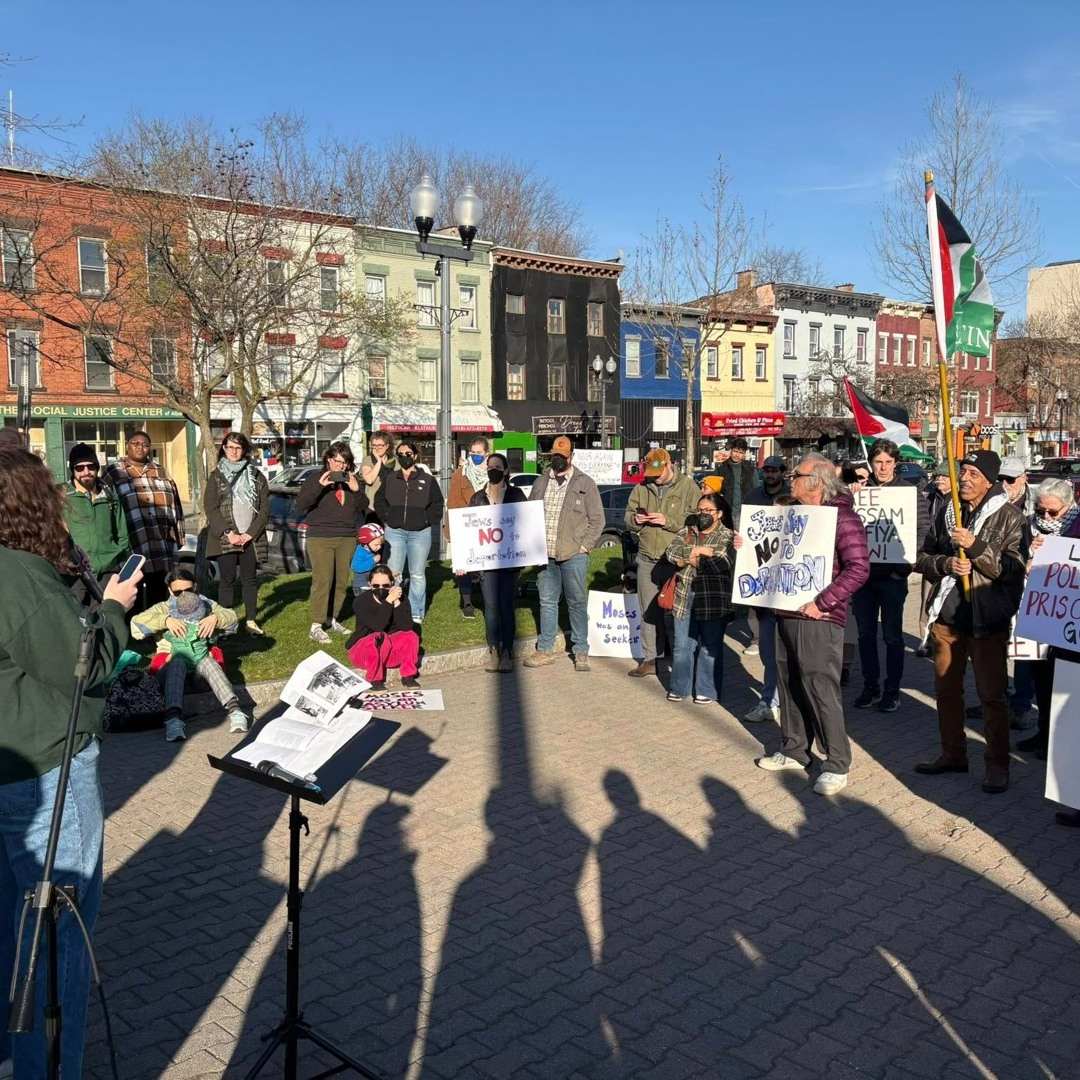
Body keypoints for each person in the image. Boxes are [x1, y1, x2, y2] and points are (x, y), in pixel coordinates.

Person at [0, 445, 140, 1080]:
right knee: (55, 949)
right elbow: (87, 666)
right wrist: (115, 607)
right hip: (44, 774)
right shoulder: (18, 576)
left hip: (15, 765)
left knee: (14, 933)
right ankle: (46, 1069)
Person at [754, 455, 870, 796]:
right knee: (789, 683)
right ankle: (794, 749)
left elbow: (858, 568)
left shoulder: (843, 517)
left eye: (797, 475)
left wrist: (822, 602)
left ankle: (836, 763)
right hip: (785, 610)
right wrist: (748, 547)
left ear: (817, 482)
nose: (791, 479)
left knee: (820, 687)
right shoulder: (793, 514)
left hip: (818, 617)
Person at [915, 450, 1026, 794]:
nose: (965, 479)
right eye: (963, 472)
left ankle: (997, 764)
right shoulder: (949, 512)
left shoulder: (1011, 517)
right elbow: (921, 558)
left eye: (974, 474)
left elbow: (1013, 570)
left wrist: (975, 547)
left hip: (985, 619)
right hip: (946, 620)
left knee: (991, 696)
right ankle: (953, 753)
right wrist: (946, 564)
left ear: (990, 482)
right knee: (946, 691)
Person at [851, 439, 932, 713]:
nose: (883, 467)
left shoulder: (909, 492)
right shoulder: (861, 491)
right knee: (865, 634)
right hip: (863, 575)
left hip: (893, 576)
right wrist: (852, 492)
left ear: (896, 463)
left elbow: (923, 530)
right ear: (871, 463)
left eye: (888, 462)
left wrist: (905, 567)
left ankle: (892, 690)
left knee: (892, 636)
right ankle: (870, 686)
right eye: (878, 462)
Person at [131, 567, 246, 740]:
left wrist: (216, 618)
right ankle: (173, 720)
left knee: (208, 661)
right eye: (178, 592)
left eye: (188, 590)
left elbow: (232, 618)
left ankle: (235, 711)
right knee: (177, 663)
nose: (184, 594)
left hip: (200, 674)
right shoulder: (163, 609)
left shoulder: (206, 604)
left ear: (195, 586)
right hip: (170, 673)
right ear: (170, 590)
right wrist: (165, 621)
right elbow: (135, 627)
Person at [523, 436, 605, 672]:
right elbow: (529, 513)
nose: (558, 460)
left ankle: (580, 651)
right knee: (547, 602)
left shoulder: (585, 483)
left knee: (577, 602)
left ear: (571, 456)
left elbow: (597, 520)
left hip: (574, 555)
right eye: (555, 456)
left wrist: (585, 546)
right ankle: (545, 649)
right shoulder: (540, 482)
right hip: (544, 554)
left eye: (563, 456)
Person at [1016, 479, 1080, 763]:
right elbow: (1015, 558)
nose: (1046, 517)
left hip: (1068, 620)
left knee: (1064, 682)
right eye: (1041, 510)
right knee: (1039, 677)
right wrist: (1029, 558)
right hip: (1037, 614)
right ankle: (1043, 732)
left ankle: (1061, 742)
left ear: (1069, 505)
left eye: (1053, 512)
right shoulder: (1030, 525)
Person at [624, 448, 700, 680]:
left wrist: (668, 521)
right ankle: (650, 659)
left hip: (676, 561)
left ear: (669, 464)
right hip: (647, 557)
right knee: (649, 612)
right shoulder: (641, 487)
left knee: (680, 612)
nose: (654, 477)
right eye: (651, 472)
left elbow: (697, 522)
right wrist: (636, 521)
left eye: (658, 472)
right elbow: (627, 517)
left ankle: (683, 660)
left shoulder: (689, 487)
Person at [663, 491, 735, 703]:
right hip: (684, 595)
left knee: (709, 647)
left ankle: (706, 689)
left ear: (719, 513)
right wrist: (699, 551)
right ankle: (679, 687)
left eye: (708, 510)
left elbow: (719, 563)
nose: (703, 514)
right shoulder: (688, 530)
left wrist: (688, 557)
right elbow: (670, 553)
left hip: (713, 599)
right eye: (700, 510)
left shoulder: (728, 535)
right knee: (682, 646)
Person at [105, 430, 185, 610]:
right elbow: (105, 507)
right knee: (132, 589)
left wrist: (178, 536)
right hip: (132, 543)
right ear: (126, 446)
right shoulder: (114, 472)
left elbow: (176, 505)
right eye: (135, 443)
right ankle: (134, 631)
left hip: (159, 541)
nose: (140, 447)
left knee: (158, 590)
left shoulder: (160, 471)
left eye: (145, 444)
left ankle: (155, 629)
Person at [296, 441, 365, 644]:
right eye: (337, 461)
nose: (341, 466)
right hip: (321, 536)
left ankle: (332, 618)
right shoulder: (315, 478)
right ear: (328, 459)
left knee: (342, 581)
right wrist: (320, 487)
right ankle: (316, 625)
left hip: (347, 536)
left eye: (345, 462)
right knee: (323, 580)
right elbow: (301, 504)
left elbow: (363, 506)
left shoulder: (352, 480)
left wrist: (356, 489)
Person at [203, 432, 270, 636]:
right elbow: (210, 507)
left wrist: (250, 534)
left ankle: (251, 621)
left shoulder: (257, 476)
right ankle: (227, 624)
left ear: (244, 451)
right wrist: (228, 533)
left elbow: (264, 510)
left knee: (250, 580)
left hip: (250, 538)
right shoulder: (216, 475)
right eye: (230, 447)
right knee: (227, 580)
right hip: (226, 537)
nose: (234, 451)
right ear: (223, 448)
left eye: (238, 447)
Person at [741, 455, 790, 723]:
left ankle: (777, 700)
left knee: (789, 652)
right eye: (767, 470)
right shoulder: (752, 495)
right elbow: (748, 531)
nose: (770, 474)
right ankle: (770, 699)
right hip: (762, 582)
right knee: (768, 652)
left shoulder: (793, 495)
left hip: (791, 586)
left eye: (775, 470)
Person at [375, 440, 445, 625]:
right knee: (394, 573)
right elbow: (379, 500)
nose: (404, 457)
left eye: (408, 454)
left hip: (420, 533)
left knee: (417, 574)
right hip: (395, 531)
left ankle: (416, 612)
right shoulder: (391, 478)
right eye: (400, 455)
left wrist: (425, 519)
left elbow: (438, 506)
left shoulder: (428, 480)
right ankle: (392, 608)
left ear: (415, 456)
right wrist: (388, 516)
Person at [470, 452, 527, 673]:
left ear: (504, 470)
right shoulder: (478, 497)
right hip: (487, 561)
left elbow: (525, 524)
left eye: (497, 466)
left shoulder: (516, 494)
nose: (492, 469)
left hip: (510, 561)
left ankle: (508, 652)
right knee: (491, 607)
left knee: (506, 606)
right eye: (489, 466)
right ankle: (494, 650)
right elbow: (470, 530)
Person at [62, 442, 131, 604]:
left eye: (91, 466)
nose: (86, 472)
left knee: (107, 618)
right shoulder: (62, 496)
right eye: (80, 468)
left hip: (108, 570)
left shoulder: (109, 495)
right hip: (75, 572)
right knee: (76, 620)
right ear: (72, 469)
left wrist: (119, 562)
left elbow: (122, 534)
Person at [345, 565, 420, 689]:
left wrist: (397, 603)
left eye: (385, 586)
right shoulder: (361, 602)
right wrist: (388, 601)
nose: (380, 589)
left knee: (410, 636)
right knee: (379, 636)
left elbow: (406, 626)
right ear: (370, 584)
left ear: (392, 584)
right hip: (364, 651)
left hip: (388, 651)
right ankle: (375, 680)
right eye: (376, 586)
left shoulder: (400, 599)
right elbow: (378, 626)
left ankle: (408, 676)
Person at [445, 437, 491, 619]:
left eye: (479, 453)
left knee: (487, 567)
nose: (475, 457)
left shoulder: (494, 472)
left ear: (486, 454)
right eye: (472, 453)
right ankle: (467, 602)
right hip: (465, 527)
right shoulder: (460, 474)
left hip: (487, 528)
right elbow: (454, 503)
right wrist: (452, 532)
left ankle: (489, 601)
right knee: (464, 567)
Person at [714, 437, 761, 529]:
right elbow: (715, 493)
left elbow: (757, 492)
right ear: (730, 451)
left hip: (746, 513)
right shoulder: (721, 469)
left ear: (744, 454)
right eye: (735, 451)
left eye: (741, 453)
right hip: (727, 513)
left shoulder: (751, 470)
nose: (737, 455)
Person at [359, 433, 394, 523]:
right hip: (372, 508)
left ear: (387, 446)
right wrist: (378, 461)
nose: (376, 448)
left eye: (380, 445)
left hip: (391, 507)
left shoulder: (394, 461)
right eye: (374, 445)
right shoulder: (368, 460)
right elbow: (369, 480)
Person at [351, 522, 390, 594]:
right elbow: (356, 567)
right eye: (376, 545)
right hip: (362, 586)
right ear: (365, 543)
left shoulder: (371, 550)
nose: (379, 547)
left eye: (380, 545)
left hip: (369, 584)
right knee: (364, 604)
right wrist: (373, 561)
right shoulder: (360, 552)